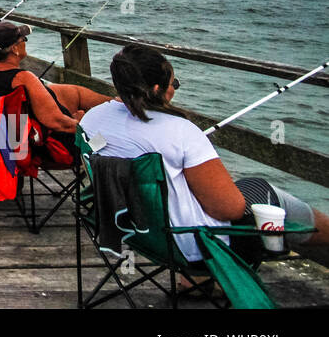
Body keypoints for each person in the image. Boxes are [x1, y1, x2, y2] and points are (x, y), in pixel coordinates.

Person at [79, 44, 329, 266]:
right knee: (264, 191)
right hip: (189, 245)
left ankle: (195, 281)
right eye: (173, 84)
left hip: (135, 231)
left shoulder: (92, 119)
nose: (174, 89)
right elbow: (229, 210)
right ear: (157, 88)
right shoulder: (181, 131)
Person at [0, 21, 109, 137]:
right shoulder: (23, 78)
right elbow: (58, 123)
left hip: (11, 135)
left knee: (72, 91)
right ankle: (119, 105)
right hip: (49, 144)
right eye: (24, 39)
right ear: (14, 49)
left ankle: (116, 103)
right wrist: (82, 123)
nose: (25, 42)